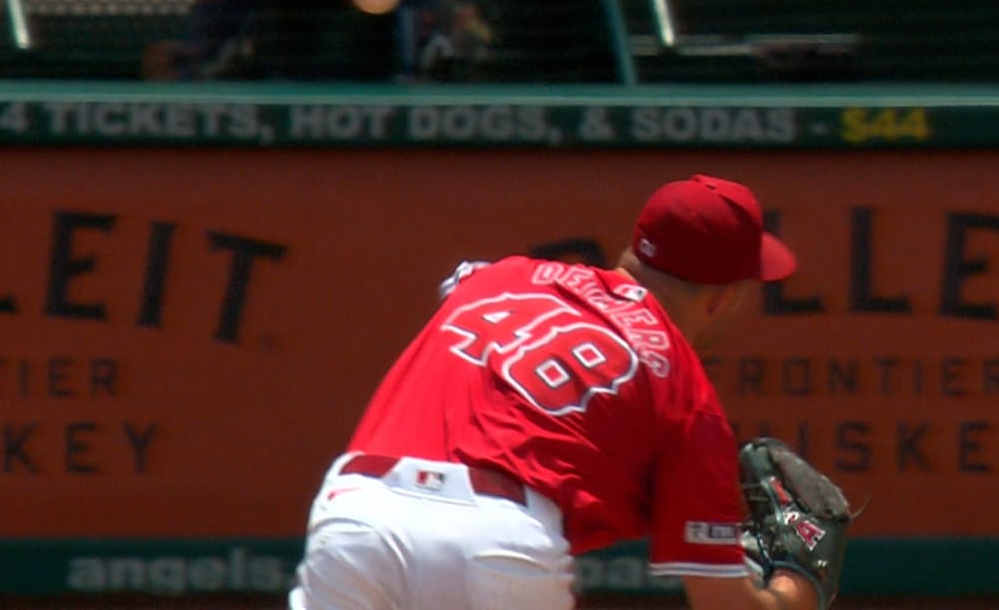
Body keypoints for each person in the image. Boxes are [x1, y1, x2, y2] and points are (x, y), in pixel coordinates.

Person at [288, 174, 824, 610]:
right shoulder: (687, 394)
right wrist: (799, 583)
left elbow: (460, 288)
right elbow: (721, 606)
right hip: (496, 541)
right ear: (721, 299)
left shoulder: (502, 276)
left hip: (360, 512)